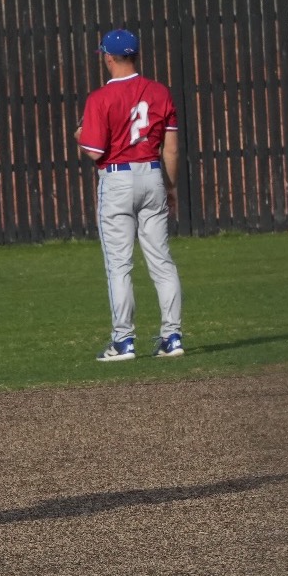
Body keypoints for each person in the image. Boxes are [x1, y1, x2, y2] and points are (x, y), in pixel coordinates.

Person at [77, 28, 184, 362]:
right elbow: (172, 148)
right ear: (136, 55)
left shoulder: (100, 98)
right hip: (152, 173)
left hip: (118, 178)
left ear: (108, 57)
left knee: (119, 266)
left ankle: (123, 341)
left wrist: (79, 135)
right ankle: (172, 337)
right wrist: (169, 186)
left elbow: (95, 151)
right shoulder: (159, 92)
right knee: (162, 262)